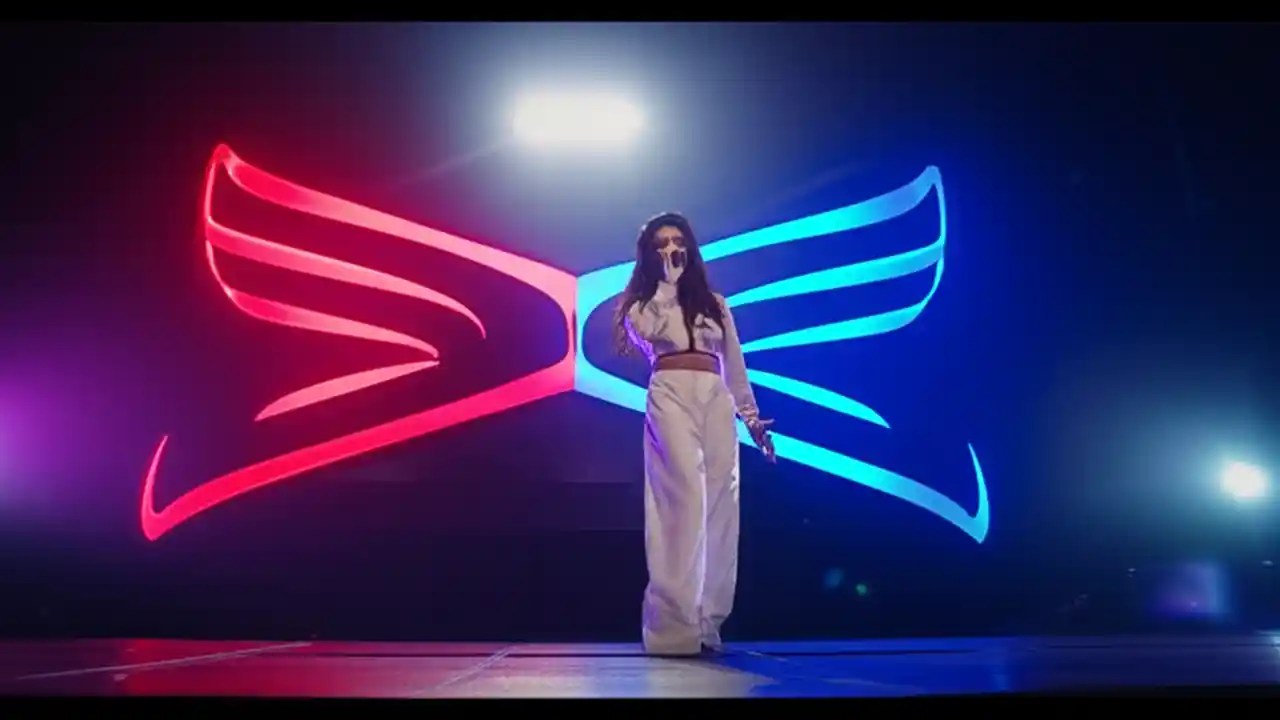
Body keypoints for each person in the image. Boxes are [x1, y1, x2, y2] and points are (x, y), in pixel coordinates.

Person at [615, 212, 776, 656]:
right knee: (683, 496)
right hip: (670, 392)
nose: (671, 249)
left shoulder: (716, 304)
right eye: (662, 244)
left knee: (720, 504)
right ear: (651, 254)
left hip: (714, 395)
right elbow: (651, 334)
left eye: (678, 241)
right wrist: (666, 285)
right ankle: (672, 624)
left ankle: (707, 619)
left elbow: (734, 361)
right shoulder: (642, 306)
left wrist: (751, 416)